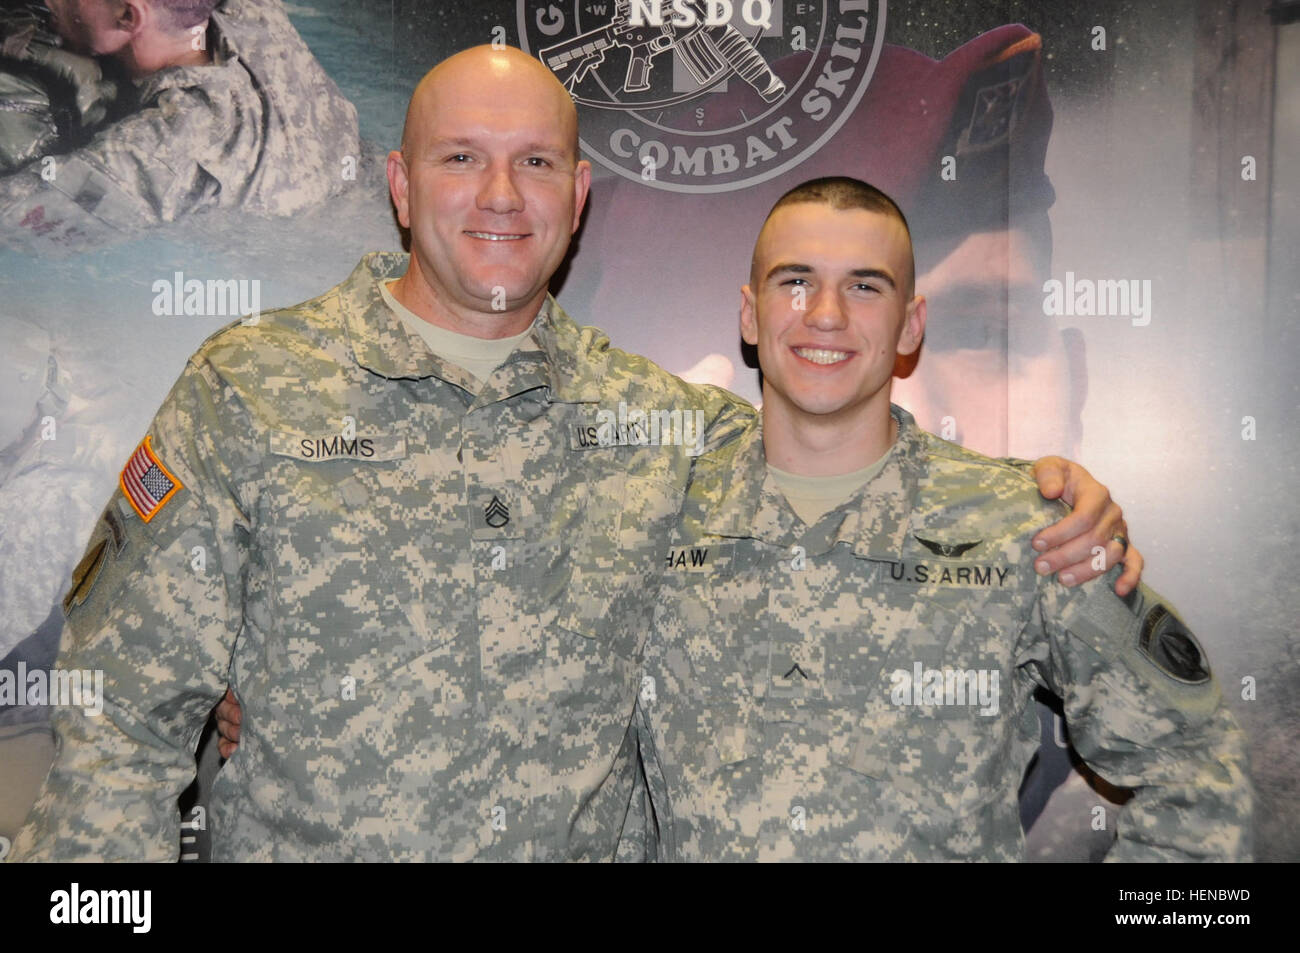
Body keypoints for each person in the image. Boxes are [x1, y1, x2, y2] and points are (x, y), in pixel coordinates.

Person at [11, 47, 1132, 862]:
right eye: (461, 158)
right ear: (400, 187)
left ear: (577, 196)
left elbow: (859, 469)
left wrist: (1047, 499)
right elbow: (121, 720)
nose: (501, 198)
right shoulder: (246, 390)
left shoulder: (668, 427)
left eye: (537, 164)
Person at [625, 177, 1252, 861]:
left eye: (865, 286)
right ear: (750, 315)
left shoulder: (1022, 527)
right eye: (795, 282)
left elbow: (1197, 769)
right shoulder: (652, 517)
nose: (827, 313)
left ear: (910, 325)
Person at [0, 0, 359, 250]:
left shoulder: (161, 151)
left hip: (297, 254)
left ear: (128, 16)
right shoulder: (253, 11)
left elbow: (16, 221)